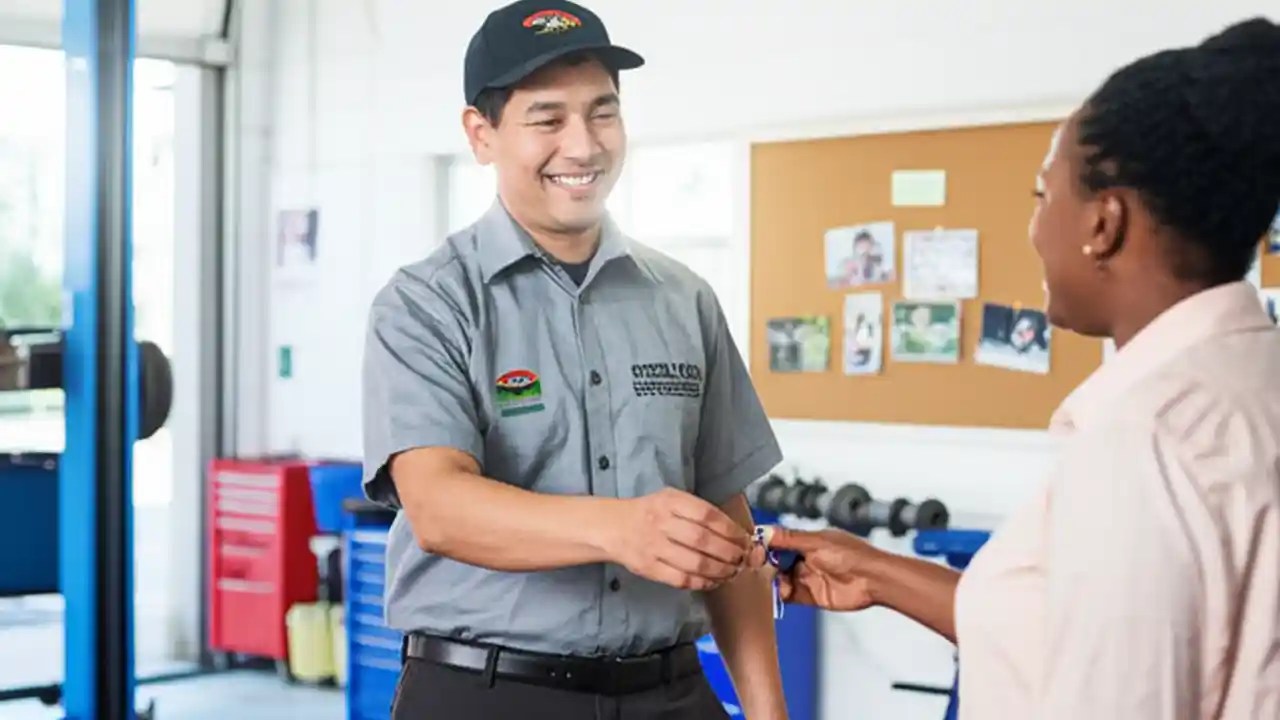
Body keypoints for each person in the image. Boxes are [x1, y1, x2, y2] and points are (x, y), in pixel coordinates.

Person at [756, 17, 1280, 720]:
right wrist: (880, 572)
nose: (1034, 228)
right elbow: (1075, 636)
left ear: (1105, 223)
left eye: (1043, 195)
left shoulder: (1144, 440)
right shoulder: (1246, 381)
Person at [359, 2, 788, 718]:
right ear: (481, 133)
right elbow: (438, 507)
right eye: (548, 120)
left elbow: (724, 521)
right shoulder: (426, 303)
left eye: (603, 113)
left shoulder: (683, 300)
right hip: (487, 693)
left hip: (670, 692)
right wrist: (621, 528)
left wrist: (771, 714)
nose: (584, 146)